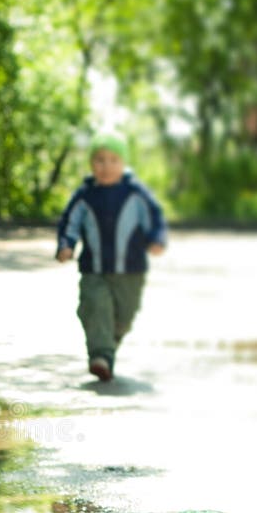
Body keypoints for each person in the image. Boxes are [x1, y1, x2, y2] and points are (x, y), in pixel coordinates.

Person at [55, 131, 167, 381]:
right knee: (96, 305)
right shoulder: (85, 195)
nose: (106, 166)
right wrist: (66, 245)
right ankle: (101, 356)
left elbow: (154, 217)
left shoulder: (135, 192)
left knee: (124, 316)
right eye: (100, 160)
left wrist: (156, 239)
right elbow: (70, 222)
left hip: (131, 271)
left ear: (124, 162)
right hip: (94, 270)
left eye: (114, 160)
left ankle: (106, 345)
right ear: (91, 163)